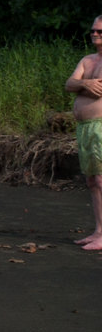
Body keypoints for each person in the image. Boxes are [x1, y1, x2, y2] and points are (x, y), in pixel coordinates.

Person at [66, 15, 102, 250]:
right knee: (92, 180)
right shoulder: (87, 60)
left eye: (100, 31)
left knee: (101, 178)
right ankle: (99, 230)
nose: (95, 34)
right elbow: (69, 84)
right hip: (85, 128)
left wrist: (86, 85)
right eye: (93, 31)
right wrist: (84, 84)